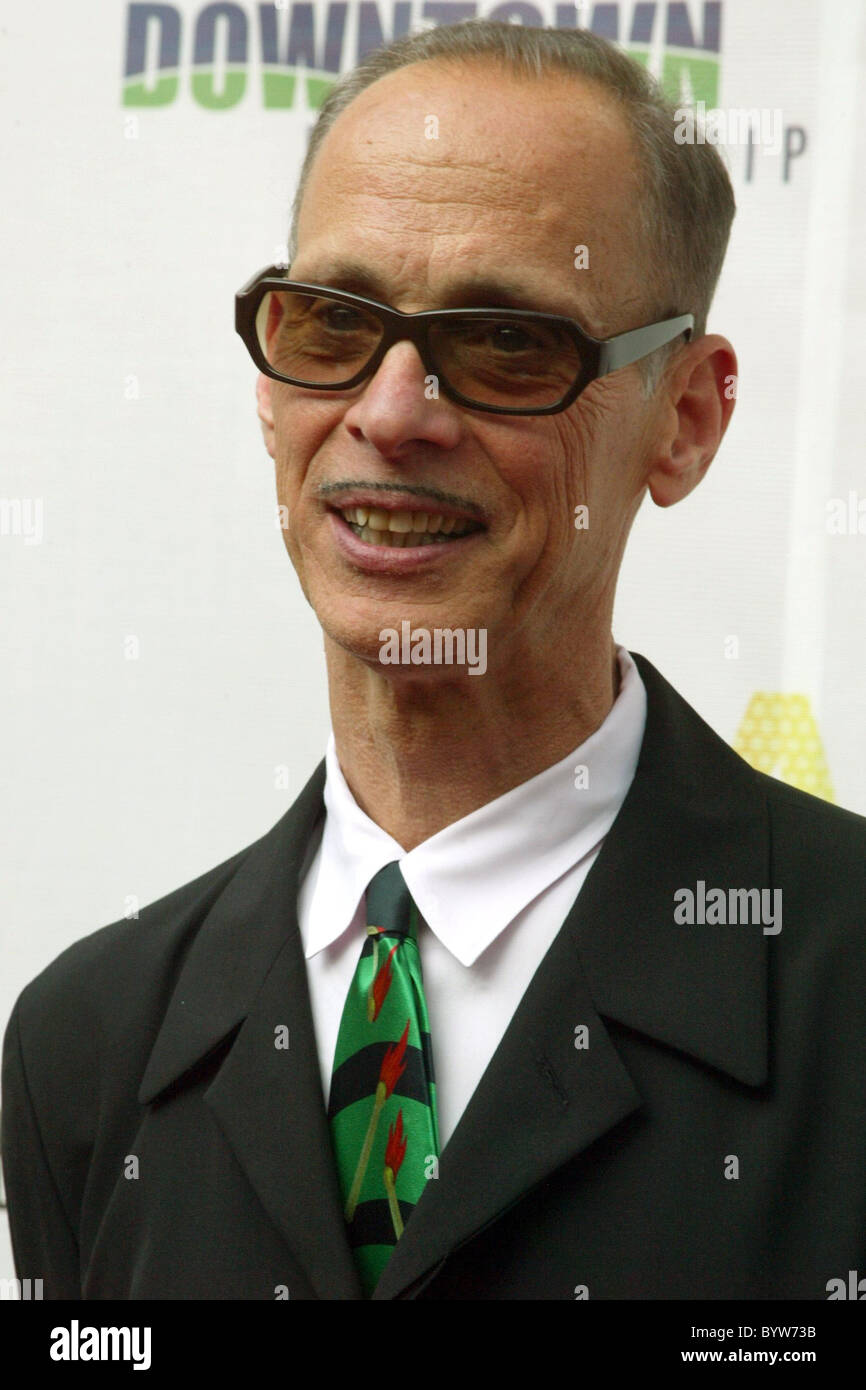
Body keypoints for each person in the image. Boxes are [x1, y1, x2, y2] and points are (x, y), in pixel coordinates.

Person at [3, 19, 865, 1302]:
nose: (390, 412)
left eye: (507, 342)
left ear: (683, 418)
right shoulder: (88, 1041)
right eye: (331, 323)